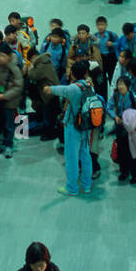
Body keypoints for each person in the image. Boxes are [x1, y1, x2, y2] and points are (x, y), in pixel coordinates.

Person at [44, 62, 96, 196]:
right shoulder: (89, 85)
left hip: (74, 127)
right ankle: (87, 185)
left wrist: (48, 89)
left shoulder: (73, 88)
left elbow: (57, 90)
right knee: (85, 155)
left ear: (73, 73)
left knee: (71, 157)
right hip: (86, 126)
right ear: (85, 73)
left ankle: (72, 187)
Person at [109, 76, 136, 184]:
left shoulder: (134, 98)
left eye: (122, 84)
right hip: (120, 128)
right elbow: (108, 107)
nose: (120, 87)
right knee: (122, 151)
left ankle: (135, 174)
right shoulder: (116, 96)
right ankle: (124, 172)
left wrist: (132, 121)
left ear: (128, 86)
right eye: (119, 84)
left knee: (132, 151)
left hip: (131, 130)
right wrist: (115, 117)